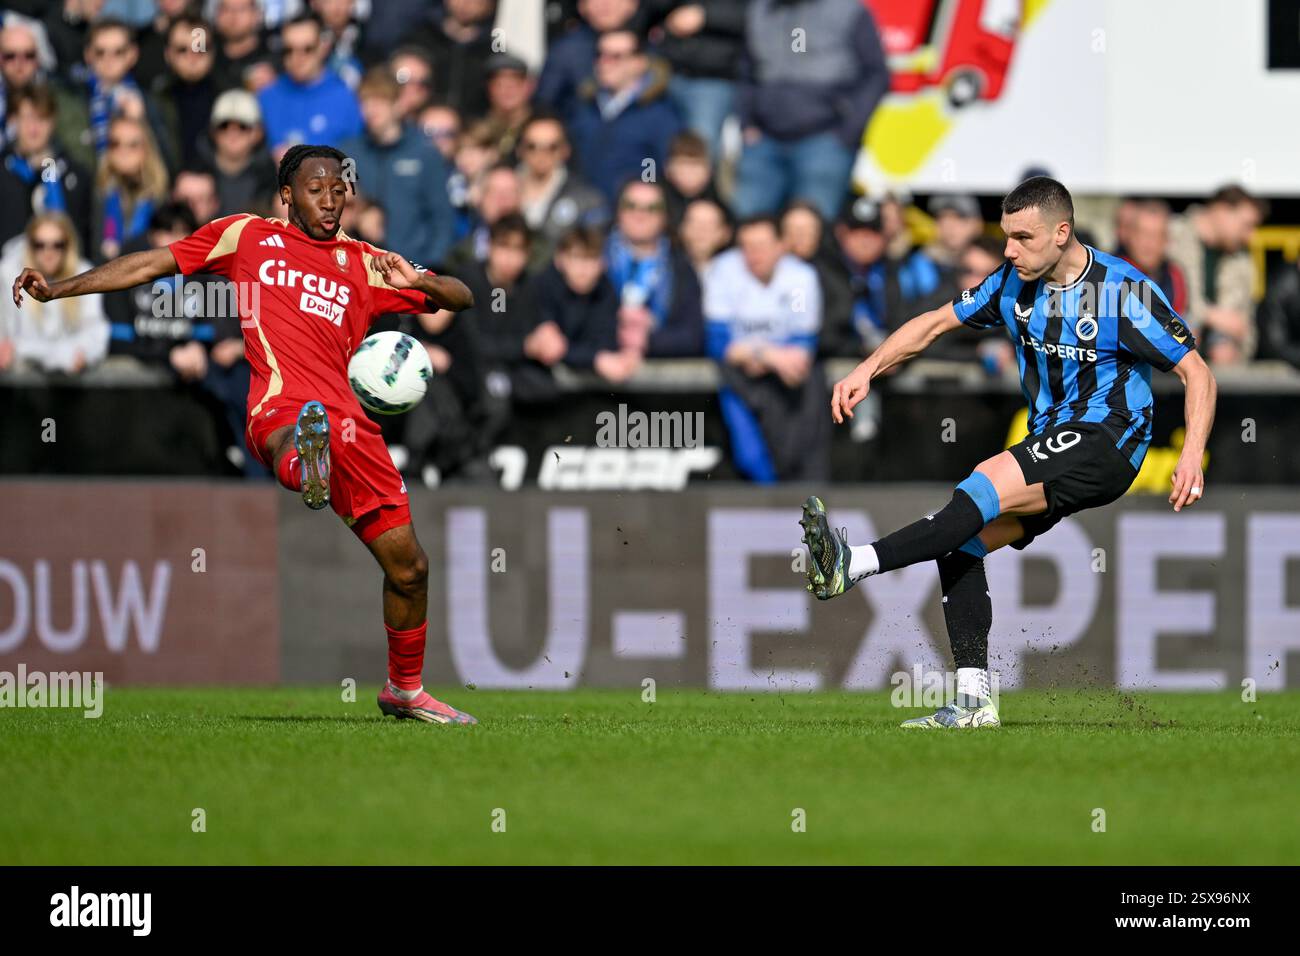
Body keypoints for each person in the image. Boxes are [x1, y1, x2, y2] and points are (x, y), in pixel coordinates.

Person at [12, 143, 478, 726]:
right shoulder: (249, 237)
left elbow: (463, 297)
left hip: (354, 431)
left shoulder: (365, 263)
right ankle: (306, 463)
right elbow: (153, 263)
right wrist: (59, 289)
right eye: (317, 189)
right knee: (301, 434)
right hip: (279, 408)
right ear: (287, 195)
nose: (331, 201)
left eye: (339, 191)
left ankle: (404, 691)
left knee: (410, 568)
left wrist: (421, 283)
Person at [798, 177, 1217, 729]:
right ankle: (975, 703)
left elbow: (1197, 372)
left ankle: (853, 565)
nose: (1008, 250)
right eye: (1006, 236)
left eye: (1023, 237)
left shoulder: (1123, 292)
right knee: (962, 540)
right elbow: (936, 324)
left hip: (1109, 439)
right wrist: (865, 369)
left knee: (981, 484)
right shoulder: (1013, 284)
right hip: (1054, 437)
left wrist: (1191, 452)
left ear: (1062, 232)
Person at [732, 0, 888, 220]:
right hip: (764, 141)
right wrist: (747, 123)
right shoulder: (760, 9)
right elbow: (746, 72)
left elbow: (876, 74)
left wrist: (848, 132)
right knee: (749, 227)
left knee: (813, 232)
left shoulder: (847, 10)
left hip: (824, 140)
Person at [704, 214, 827, 482]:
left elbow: (803, 342)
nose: (753, 255)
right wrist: (766, 355)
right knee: (750, 455)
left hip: (787, 376)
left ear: (781, 245)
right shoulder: (724, 270)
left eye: (761, 246)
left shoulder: (800, 277)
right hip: (741, 375)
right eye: (746, 246)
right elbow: (719, 342)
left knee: (800, 450)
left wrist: (761, 354)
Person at [341, 67, 454, 269]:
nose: (371, 110)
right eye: (365, 102)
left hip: (414, 269)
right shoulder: (348, 154)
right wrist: (360, 215)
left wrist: (429, 271)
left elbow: (442, 218)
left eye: (379, 101)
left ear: (398, 104)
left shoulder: (424, 153)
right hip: (361, 268)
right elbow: (341, 207)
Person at [566, 27, 682, 204]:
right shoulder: (584, 105)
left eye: (616, 56)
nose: (604, 62)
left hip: (629, 216)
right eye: (600, 54)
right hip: (583, 212)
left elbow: (655, 163)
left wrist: (644, 189)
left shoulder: (659, 112)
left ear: (640, 62)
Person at [1166, 185, 1265, 365]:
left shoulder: (1242, 261)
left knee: (1223, 346)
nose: (1249, 236)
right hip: (1168, 353)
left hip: (1222, 367)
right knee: (1186, 330)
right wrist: (1210, 315)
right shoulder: (1170, 237)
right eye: (1247, 225)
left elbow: (1245, 325)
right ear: (1222, 210)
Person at [0, 211, 107, 375]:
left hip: (71, 383)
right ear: (30, 246)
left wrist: (82, 353)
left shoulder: (85, 274)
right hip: (21, 382)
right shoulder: (9, 276)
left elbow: (96, 332)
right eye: (40, 245)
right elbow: (6, 339)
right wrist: (64, 355)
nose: (48, 253)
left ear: (68, 246)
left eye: (57, 245)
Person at [605, 178, 703, 357]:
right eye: (631, 205)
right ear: (618, 211)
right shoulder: (593, 257)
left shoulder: (681, 268)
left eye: (652, 208)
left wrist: (648, 339)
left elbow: (692, 337)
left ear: (665, 216)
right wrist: (617, 330)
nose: (640, 215)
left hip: (664, 378)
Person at [0, 85, 95, 253]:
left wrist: (48, 172)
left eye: (41, 119)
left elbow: (81, 237)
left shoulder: (75, 176)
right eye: (27, 118)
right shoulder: (4, 170)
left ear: (52, 122)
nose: (34, 128)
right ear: (13, 120)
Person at [257, 14, 362, 157]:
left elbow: (358, 161)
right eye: (289, 50)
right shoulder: (267, 96)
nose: (297, 58)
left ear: (323, 47)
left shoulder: (345, 98)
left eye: (307, 49)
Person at [514, 111, 608, 262]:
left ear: (565, 150)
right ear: (520, 149)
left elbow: (592, 253)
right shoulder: (501, 189)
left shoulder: (586, 200)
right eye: (532, 146)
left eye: (551, 147)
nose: (541, 154)